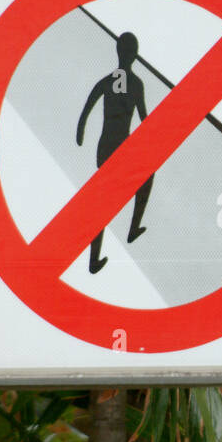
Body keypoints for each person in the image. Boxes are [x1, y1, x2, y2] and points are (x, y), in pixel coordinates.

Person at [76, 31, 152, 274]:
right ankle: (130, 230)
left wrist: (80, 130)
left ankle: (97, 256)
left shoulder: (112, 81)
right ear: (134, 55)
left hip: (109, 148)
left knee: (105, 203)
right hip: (117, 148)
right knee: (107, 202)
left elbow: (88, 106)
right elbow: (145, 120)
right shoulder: (135, 84)